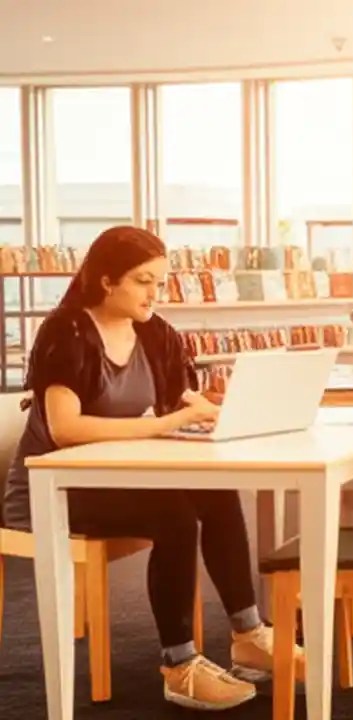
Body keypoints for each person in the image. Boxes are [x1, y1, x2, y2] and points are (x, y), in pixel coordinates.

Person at [0, 227, 300, 711]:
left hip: (114, 478)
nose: (153, 294)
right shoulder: (67, 331)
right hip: (52, 490)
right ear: (104, 281)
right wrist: (167, 423)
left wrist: (230, 413)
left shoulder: (155, 331)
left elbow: (183, 400)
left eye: (159, 283)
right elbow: (64, 428)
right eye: (143, 281)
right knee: (174, 515)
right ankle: (179, 665)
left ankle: (249, 636)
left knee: (217, 493)